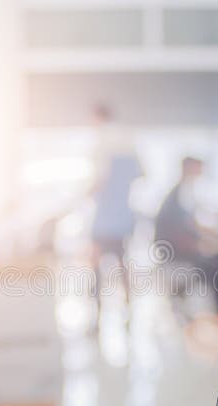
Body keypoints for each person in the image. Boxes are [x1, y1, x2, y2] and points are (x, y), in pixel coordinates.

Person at [154, 157, 218, 315]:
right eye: (198, 168)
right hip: (176, 253)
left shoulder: (182, 190)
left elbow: (188, 222)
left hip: (174, 249)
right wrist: (202, 244)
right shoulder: (181, 192)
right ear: (188, 168)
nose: (200, 172)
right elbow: (180, 229)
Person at [89, 103, 141, 296]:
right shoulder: (128, 139)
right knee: (122, 260)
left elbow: (98, 181)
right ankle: (128, 298)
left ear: (96, 117)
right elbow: (141, 174)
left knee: (95, 259)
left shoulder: (102, 141)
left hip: (104, 217)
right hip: (123, 216)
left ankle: (96, 300)